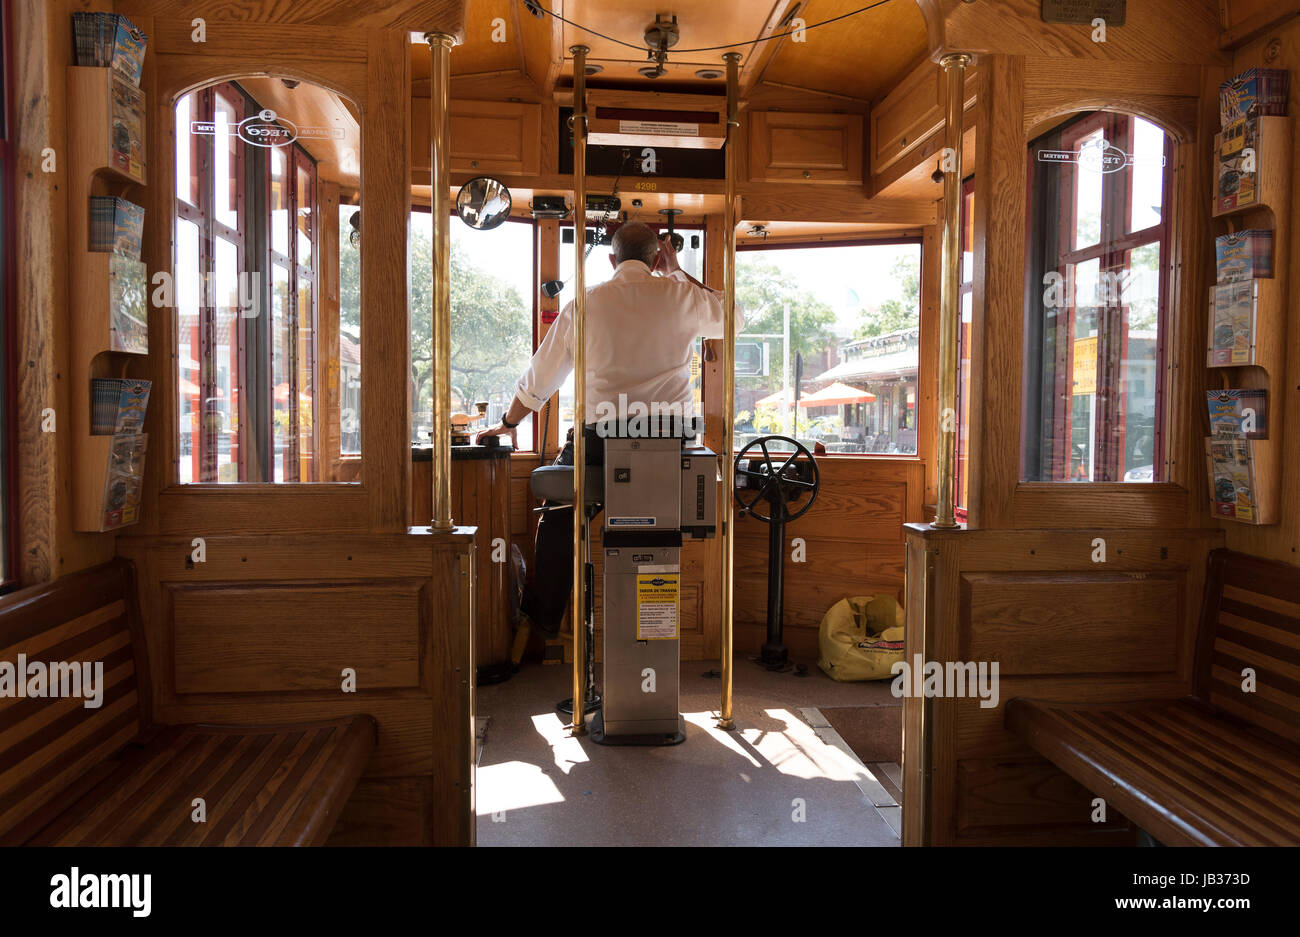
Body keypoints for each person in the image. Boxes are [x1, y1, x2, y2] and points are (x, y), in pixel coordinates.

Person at [477, 220, 743, 637]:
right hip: (670, 442)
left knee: (560, 519)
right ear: (657, 258)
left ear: (612, 259)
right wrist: (675, 271)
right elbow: (733, 318)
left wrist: (509, 423)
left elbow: (541, 377)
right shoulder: (680, 294)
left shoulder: (586, 302)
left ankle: (545, 621)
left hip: (603, 440)